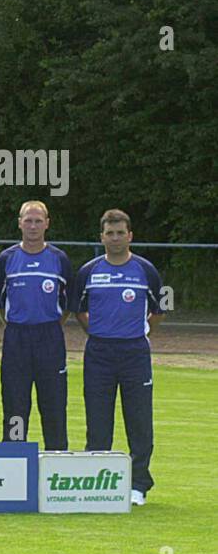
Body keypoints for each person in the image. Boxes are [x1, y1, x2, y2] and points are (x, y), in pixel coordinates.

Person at [71, 209, 164, 506]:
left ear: (130, 235)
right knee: (98, 418)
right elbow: (79, 310)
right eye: (109, 233)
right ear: (102, 237)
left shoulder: (146, 270)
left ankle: (138, 484)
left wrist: (140, 332)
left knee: (138, 419)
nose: (115, 238)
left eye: (120, 232)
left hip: (135, 353)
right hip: (99, 353)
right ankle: (99, 479)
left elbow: (159, 311)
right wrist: (98, 332)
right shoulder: (88, 271)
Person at [0, 200, 75, 449]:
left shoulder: (59, 259)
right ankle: (15, 459)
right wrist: (18, 324)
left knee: (54, 404)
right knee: (15, 405)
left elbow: (68, 303)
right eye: (28, 220)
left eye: (38, 220)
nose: (33, 225)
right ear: (19, 223)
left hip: (50, 337)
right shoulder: (7, 258)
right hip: (16, 337)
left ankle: (56, 461)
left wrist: (48, 324)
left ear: (47, 224)